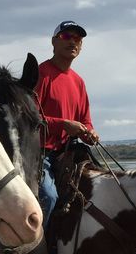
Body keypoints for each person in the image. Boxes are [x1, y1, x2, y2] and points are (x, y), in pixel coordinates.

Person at [35, 20, 99, 228]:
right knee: (48, 196)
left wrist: (90, 133)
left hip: (68, 153)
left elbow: (85, 120)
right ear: (53, 42)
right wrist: (63, 125)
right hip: (39, 152)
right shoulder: (41, 73)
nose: (72, 42)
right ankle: (37, 245)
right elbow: (29, 118)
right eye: (66, 36)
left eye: (77, 38)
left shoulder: (78, 81)